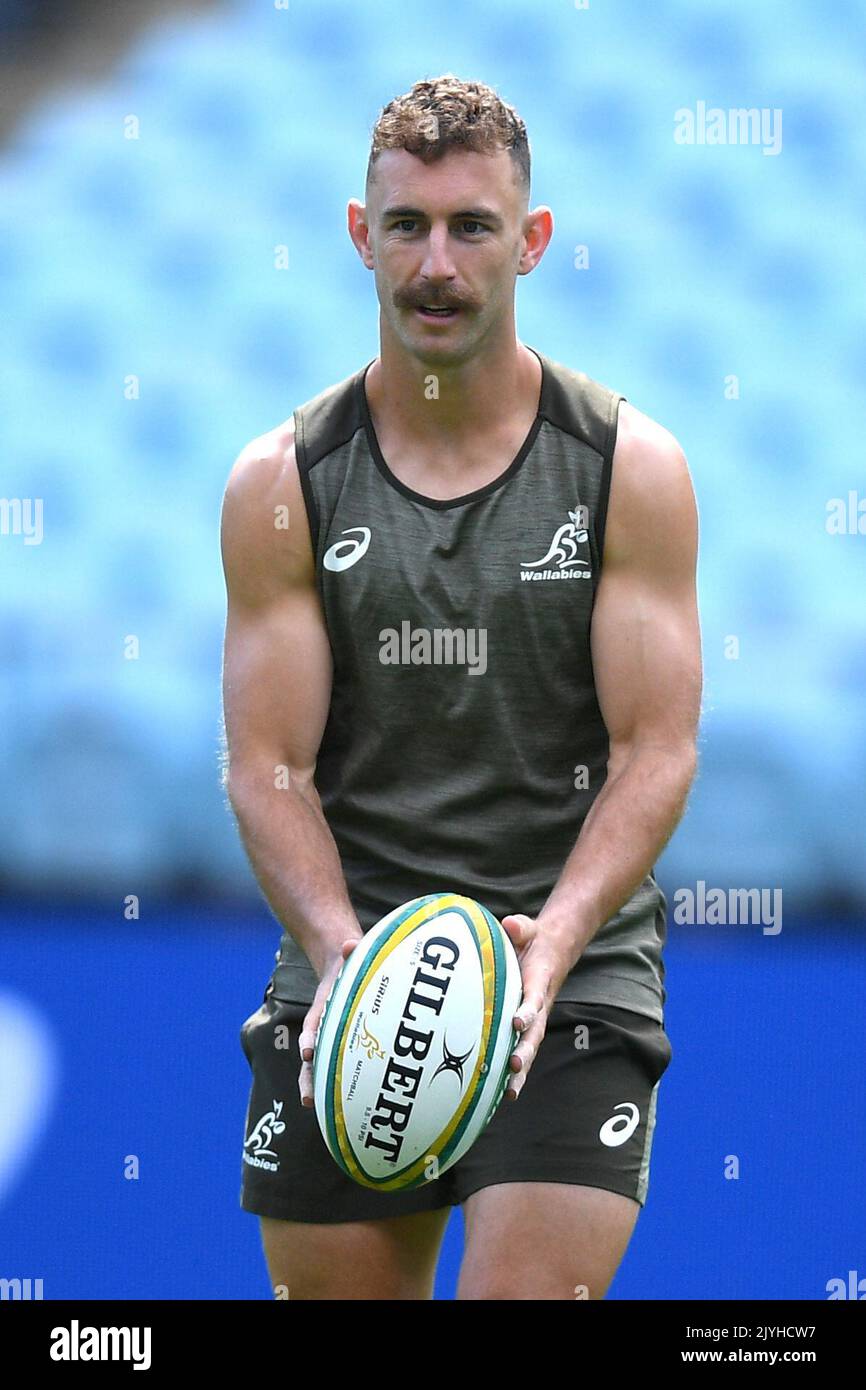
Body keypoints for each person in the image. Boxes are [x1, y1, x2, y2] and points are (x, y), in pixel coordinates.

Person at [221, 74, 702, 1300]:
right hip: (353, 969)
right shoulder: (280, 482)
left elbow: (655, 749)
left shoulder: (626, 470)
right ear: (357, 234)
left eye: (471, 228)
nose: (435, 265)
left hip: (568, 965)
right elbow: (265, 766)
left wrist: (550, 952)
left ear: (529, 242)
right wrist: (340, 956)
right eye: (406, 227)